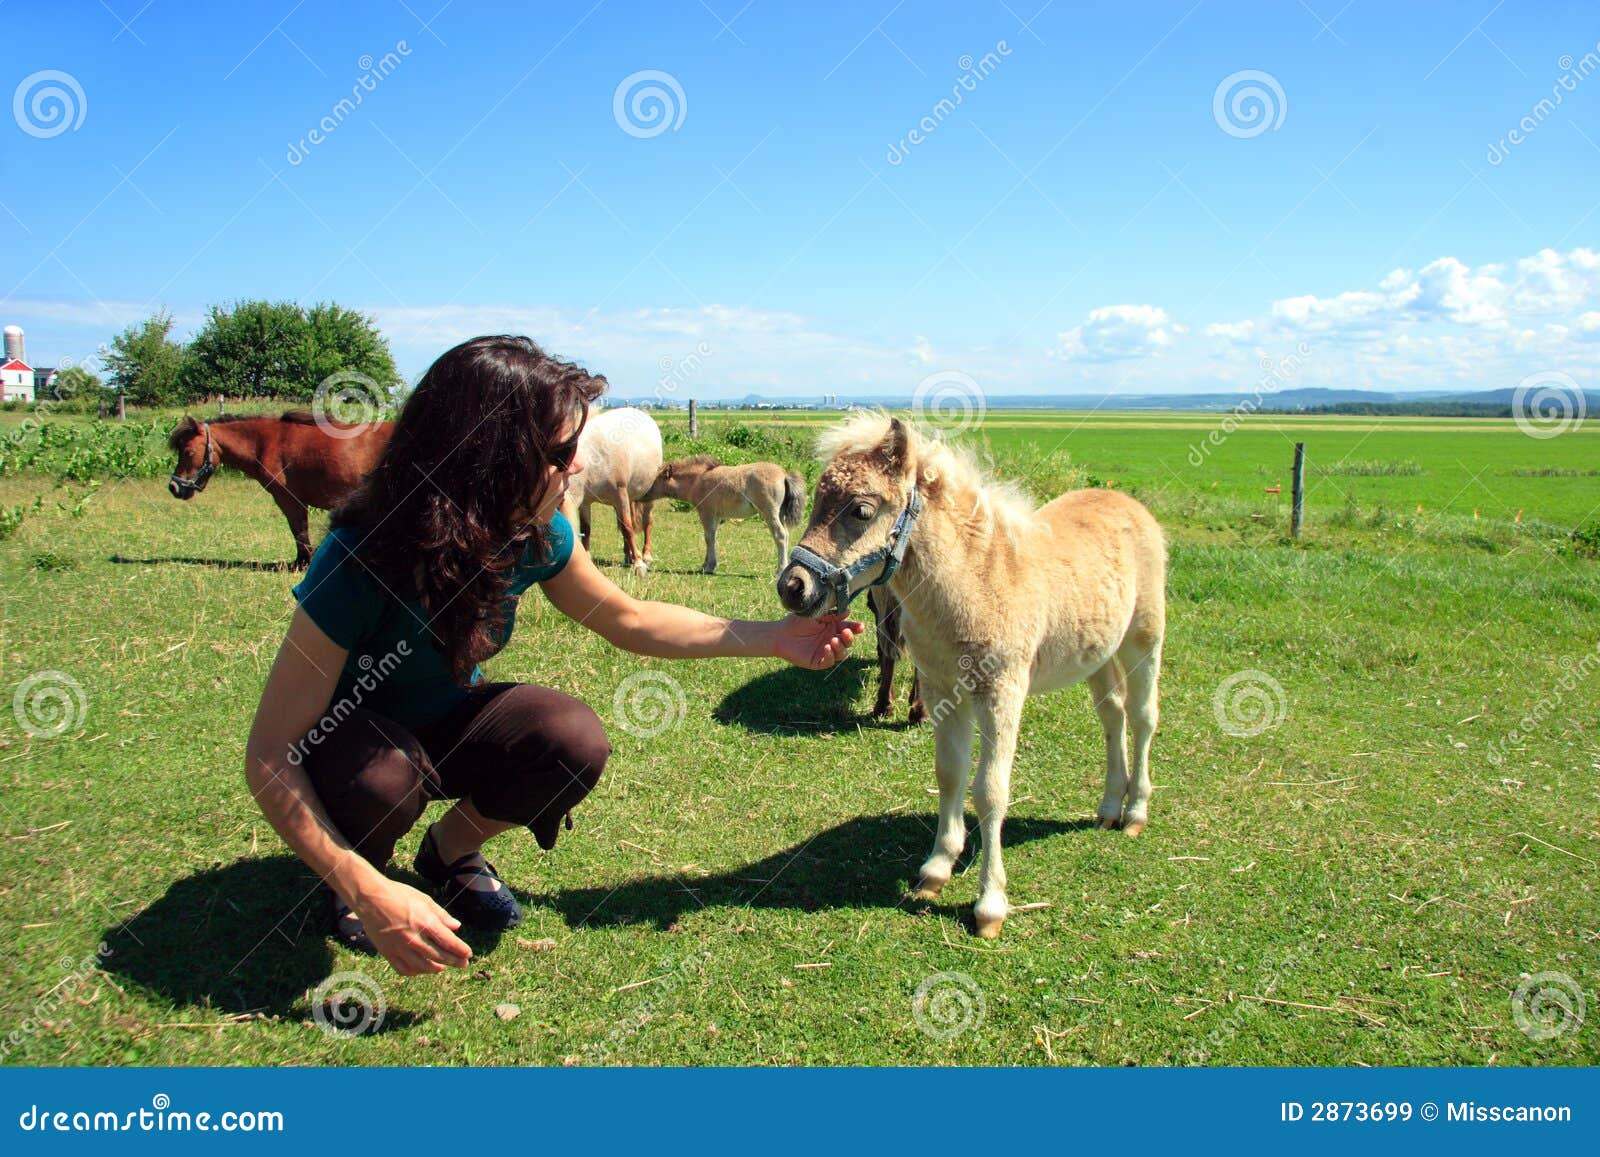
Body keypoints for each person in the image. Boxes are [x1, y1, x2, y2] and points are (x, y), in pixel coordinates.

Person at [244, 336, 862, 976]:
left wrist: (772, 637)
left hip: (444, 719)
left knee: (570, 739)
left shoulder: (535, 531)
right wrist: (367, 889)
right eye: (562, 454)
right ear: (487, 461)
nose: (576, 470)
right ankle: (356, 873)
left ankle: (448, 850)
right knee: (382, 778)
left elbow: (631, 618)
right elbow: (267, 756)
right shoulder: (360, 555)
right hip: (351, 744)